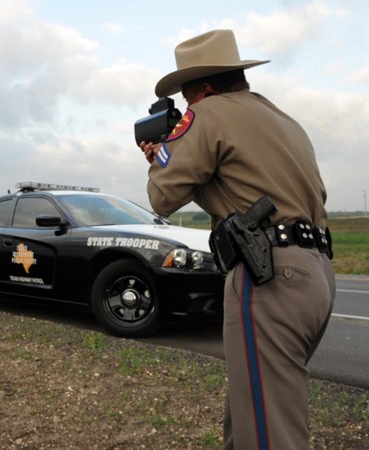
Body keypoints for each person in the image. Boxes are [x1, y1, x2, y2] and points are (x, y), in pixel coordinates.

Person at [139, 29, 336, 450]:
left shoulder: (208, 115)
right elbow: (252, 188)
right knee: (254, 417)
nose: (187, 108)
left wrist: (162, 157)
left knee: (269, 437)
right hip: (316, 274)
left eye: (188, 98)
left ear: (205, 89)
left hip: (268, 275)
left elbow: (162, 198)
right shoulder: (282, 119)